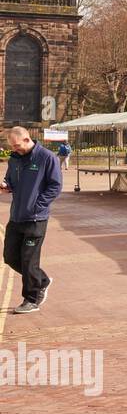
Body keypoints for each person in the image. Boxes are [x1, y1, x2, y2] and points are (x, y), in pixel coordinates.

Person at [2, 126, 62, 314]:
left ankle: (32, 299)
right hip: (16, 217)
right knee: (10, 257)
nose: (14, 149)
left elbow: (55, 186)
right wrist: (6, 186)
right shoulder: (14, 159)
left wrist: (37, 205)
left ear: (27, 139)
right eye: (12, 147)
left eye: (17, 145)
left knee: (29, 260)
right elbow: (11, 180)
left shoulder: (46, 157)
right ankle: (41, 280)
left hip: (36, 219)